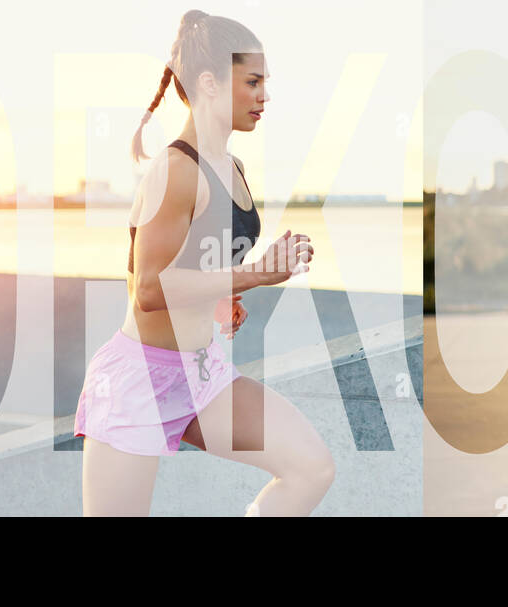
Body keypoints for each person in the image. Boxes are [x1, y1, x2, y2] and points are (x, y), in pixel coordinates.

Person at [74, 10, 335, 516]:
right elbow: (149, 290)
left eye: (266, 83)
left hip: (202, 370)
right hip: (137, 382)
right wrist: (259, 274)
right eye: (253, 82)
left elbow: (196, 259)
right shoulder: (174, 169)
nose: (264, 96)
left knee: (312, 468)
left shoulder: (231, 166)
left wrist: (223, 296)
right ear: (211, 83)